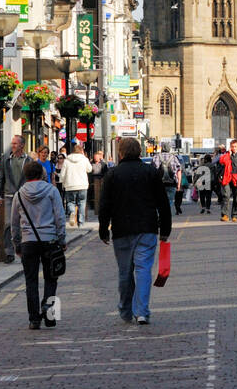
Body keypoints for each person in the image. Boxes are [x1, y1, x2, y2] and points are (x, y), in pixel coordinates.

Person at [99, 136, 172, 326]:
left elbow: (104, 205)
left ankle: (125, 310)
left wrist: (103, 230)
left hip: (121, 229)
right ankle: (142, 312)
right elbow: (163, 203)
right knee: (143, 270)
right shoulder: (150, 172)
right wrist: (165, 229)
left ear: (121, 153)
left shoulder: (112, 175)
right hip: (146, 228)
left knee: (125, 271)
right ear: (140, 152)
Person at [11, 158, 67, 330]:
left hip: (28, 242)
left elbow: (14, 223)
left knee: (31, 281)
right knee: (52, 278)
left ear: (26, 175)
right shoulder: (52, 191)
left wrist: (17, 244)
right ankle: (50, 317)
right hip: (50, 240)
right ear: (42, 173)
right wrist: (62, 239)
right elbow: (59, 217)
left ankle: (34, 319)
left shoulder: (19, 194)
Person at [0, 135, 33, 261]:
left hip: (24, 196)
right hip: (9, 196)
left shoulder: (29, 160)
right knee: (8, 224)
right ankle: (9, 253)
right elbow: (0, 178)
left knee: (24, 223)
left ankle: (24, 250)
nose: (12, 146)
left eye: (15, 144)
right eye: (12, 143)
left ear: (22, 145)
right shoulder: (6, 159)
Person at [60, 143, 92, 228]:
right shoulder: (84, 159)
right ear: (81, 151)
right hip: (82, 185)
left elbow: (62, 174)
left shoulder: (67, 160)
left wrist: (62, 182)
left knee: (70, 202)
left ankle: (72, 212)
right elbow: (89, 169)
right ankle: (81, 223)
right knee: (82, 203)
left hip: (70, 185)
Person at [89, 150, 109, 218]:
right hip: (92, 181)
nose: (95, 159)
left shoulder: (103, 164)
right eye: (95, 157)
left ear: (99, 158)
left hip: (100, 180)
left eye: (97, 157)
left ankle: (99, 206)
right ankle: (93, 206)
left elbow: (106, 173)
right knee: (92, 194)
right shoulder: (90, 163)